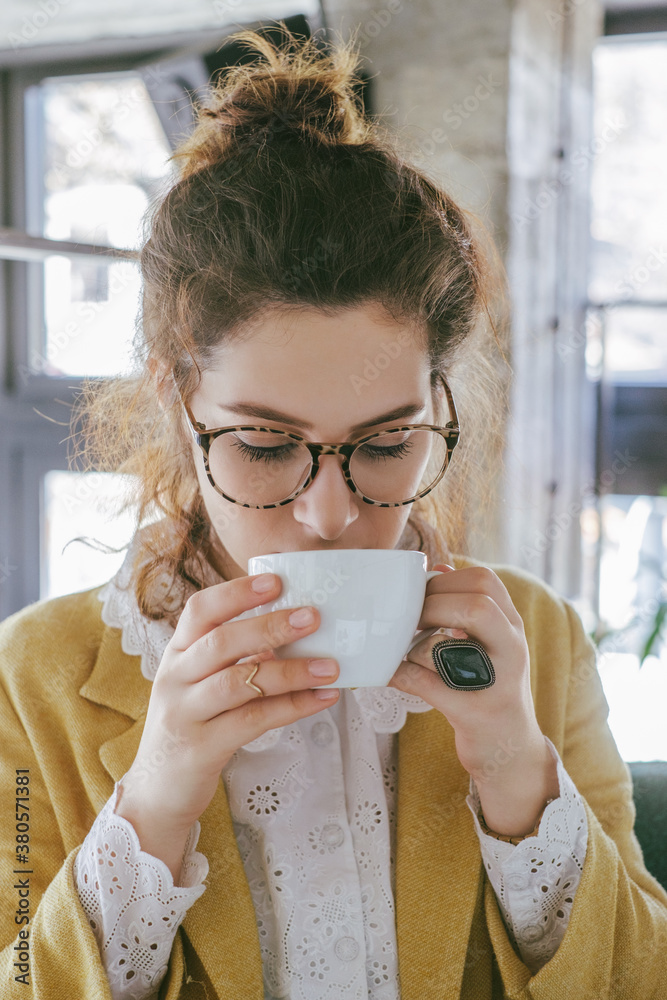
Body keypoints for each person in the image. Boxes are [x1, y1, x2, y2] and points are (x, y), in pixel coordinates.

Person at [1, 24, 666, 1000]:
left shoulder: (538, 645)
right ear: (177, 401)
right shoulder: (35, 678)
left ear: (439, 409)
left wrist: (516, 768)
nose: (328, 513)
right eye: (265, 444)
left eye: (386, 443)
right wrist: (155, 800)